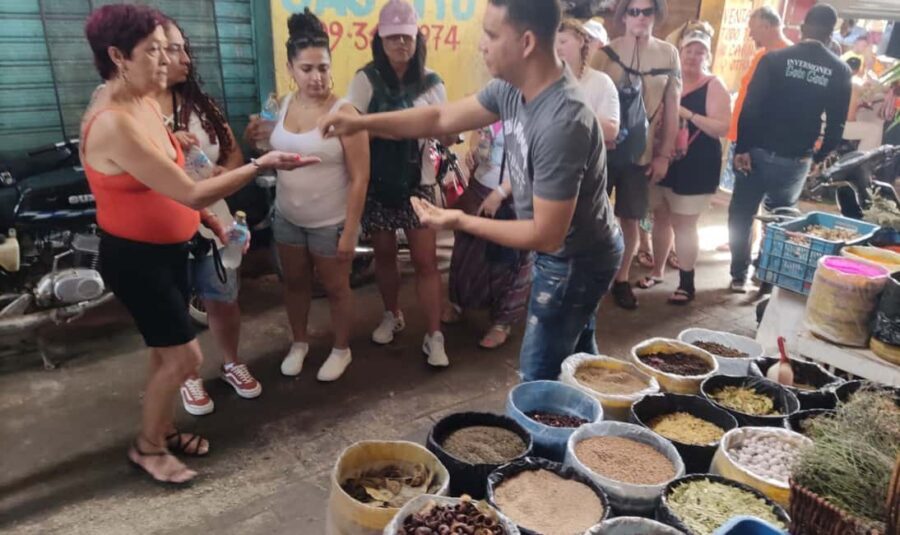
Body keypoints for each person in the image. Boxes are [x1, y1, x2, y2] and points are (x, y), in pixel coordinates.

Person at [320, 0, 624, 382]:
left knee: (538, 377)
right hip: (567, 250)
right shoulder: (511, 89)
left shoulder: (564, 120)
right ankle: (596, 421)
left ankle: (557, 430)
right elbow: (440, 117)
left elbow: (545, 236)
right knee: (580, 362)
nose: (482, 44)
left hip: (577, 260)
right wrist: (360, 122)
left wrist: (460, 219)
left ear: (526, 42)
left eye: (492, 35)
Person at [82, 4, 315, 484]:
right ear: (117, 56)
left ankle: (162, 429)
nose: (167, 62)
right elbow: (186, 189)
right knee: (185, 358)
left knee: (163, 353)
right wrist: (259, 165)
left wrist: (208, 214)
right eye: (154, 52)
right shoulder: (112, 121)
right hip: (137, 260)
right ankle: (147, 448)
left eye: (170, 51)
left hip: (170, 250)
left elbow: (177, 175)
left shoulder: (144, 101)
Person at [150, 16, 261, 417]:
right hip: (163, 229)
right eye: (172, 49)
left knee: (223, 297)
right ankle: (187, 373)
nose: (183, 58)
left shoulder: (201, 105)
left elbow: (233, 154)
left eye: (183, 48)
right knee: (173, 305)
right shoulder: (133, 111)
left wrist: (223, 174)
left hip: (214, 221)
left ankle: (231, 361)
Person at [256, 10, 370, 382]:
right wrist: (258, 136)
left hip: (329, 222)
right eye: (306, 69)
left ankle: (342, 349)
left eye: (322, 67)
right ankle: (299, 343)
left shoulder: (345, 112)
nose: (316, 77)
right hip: (287, 216)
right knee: (294, 284)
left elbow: (360, 176)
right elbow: (272, 145)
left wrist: (350, 230)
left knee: (337, 288)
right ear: (291, 68)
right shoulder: (284, 104)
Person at [344, 0, 452, 367]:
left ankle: (435, 335)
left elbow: (445, 131)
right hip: (377, 182)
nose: (400, 45)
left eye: (406, 37)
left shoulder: (432, 82)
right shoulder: (365, 79)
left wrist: (445, 132)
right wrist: (400, 126)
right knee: (385, 256)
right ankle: (392, 314)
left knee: (426, 261)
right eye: (393, 39)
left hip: (419, 182)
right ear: (380, 40)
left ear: (417, 38)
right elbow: (351, 130)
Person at [729, 4, 852, 293]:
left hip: (757, 152)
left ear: (803, 27)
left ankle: (737, 275)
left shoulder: (774, 59)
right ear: (831, 32)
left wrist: (742, 148)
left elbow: (750, 108)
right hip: (796, 159)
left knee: (742, 213)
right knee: (781, 220)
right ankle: (767, 280)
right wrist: (817, 157)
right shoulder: (840, 70)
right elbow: (836, 128)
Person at [591, 0, 682, 310]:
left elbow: (672, 108)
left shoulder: (669, 54)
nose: (641, 17)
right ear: (623, 16)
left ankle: (621, 277)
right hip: (601, 155)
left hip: (640, 157)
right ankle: (591, 274)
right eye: (634, 11)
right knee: (591, 216)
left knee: (630, 218)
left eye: (647, 11)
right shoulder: (604, 55)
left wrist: (664, 156)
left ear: (657, 15)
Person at [637, 28, 731, 304]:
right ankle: (657, 271)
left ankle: (687, 283)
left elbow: (721, 127)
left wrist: (687, 113)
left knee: (684, 223)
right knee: (660, 217)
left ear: (708, 56)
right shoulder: (668, 80)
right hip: (662, 160)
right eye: (688, 50)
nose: (693, 56)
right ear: (679, 52)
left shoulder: (713, 85)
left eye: (699, 51)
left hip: (696, 166)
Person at [442, 121, 532, 350]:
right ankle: (461, 301)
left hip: (513, 198)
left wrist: (500, 193)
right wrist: (472, 154)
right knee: (467, 250)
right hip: (479, 188)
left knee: (506, 260)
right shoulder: (493, 105)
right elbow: (479, 138)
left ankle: (502, 323)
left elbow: (532, 165)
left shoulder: (533, 112)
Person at [556, 18, 620, 144]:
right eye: (553, 43)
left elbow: (611, 129)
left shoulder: (601, 82)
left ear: (580, 42)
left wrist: (570, 116)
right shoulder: (545, 81)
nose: (557, 48)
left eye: (563, 42)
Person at [843, 57, 884, 151]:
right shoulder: (855, 87)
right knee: (874, 130)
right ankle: (863, 162)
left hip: (819, 122)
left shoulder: (835, 79)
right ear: (858, 71)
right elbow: (850, 119)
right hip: (833, 127)